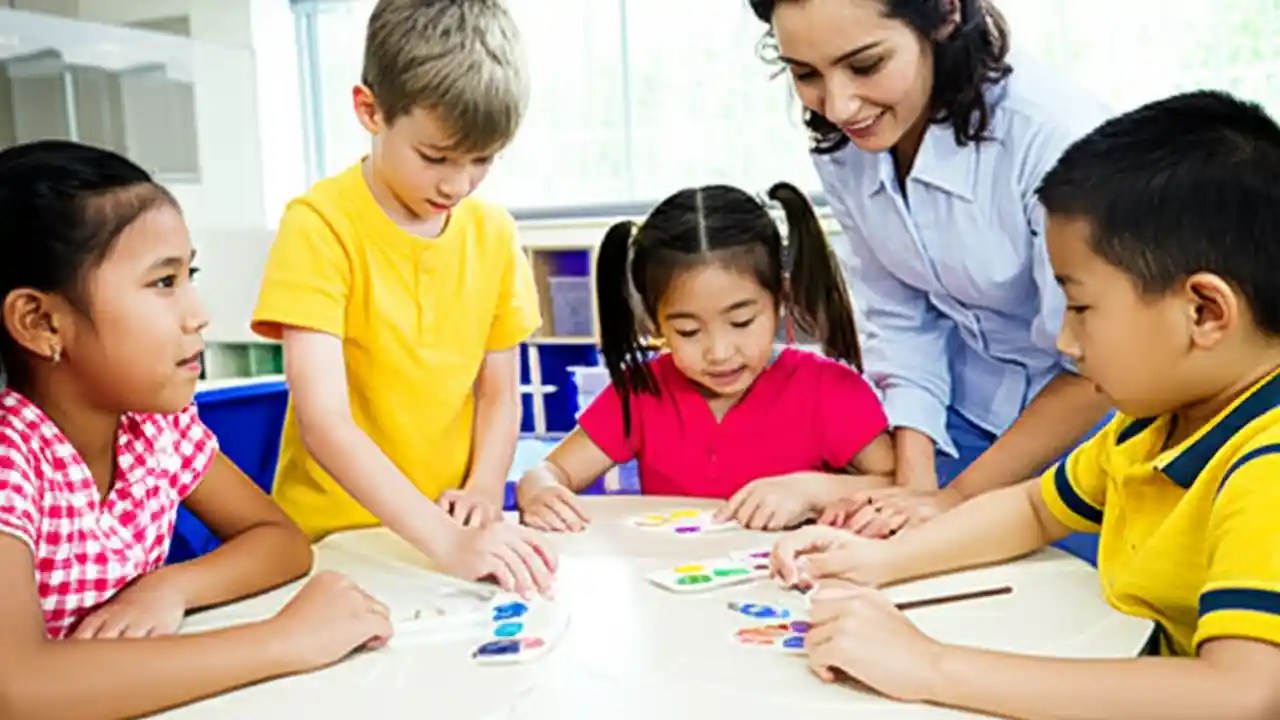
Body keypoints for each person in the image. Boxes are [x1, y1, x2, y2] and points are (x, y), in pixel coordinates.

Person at [770, 90, 1280, 719]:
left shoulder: (1268, 466)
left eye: (1082, 308)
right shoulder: (1153, 424)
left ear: (1204, 312)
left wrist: (930, 665)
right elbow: (1036, 507)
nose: (1066, 341)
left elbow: (1244, 695)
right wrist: (879, 562)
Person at [0, 140, 392, 719]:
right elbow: (17, 688)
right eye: (163, 283)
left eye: (190, 274)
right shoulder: (12, 457)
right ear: (41, 322)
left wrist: (170, 587)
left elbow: (278, 539)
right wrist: (283, 640)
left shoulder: (156, 429)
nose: (198, 311)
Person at [749, 0, 1114, 540]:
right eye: (805, 74)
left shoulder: (1054, 138)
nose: (840, 105)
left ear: (944, 14)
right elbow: (901, 317)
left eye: (866, 65)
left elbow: (1098, 365)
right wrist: (914, 484)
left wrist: (955, 500)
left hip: (1090, 422)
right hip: (961, 413)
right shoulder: (846, 141)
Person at [251, 0, 556, 595]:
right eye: (435, 157)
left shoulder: (493, 233)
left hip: (450, 531)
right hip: (332, 541)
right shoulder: (320, 226)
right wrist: (447, 543)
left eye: (482, 160)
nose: (458, 184)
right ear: (370, 110)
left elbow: (498, 394)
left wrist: (484, 491)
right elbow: (325, 423)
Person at [516, 182, 895, 532]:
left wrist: (811, 491)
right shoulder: (643, 391)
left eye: (742, 321)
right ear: (655, 320)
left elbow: (901, 486)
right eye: (688, 332)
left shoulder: (828, 390)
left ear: (780, 299)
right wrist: (540, 492)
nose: (719, 352)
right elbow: (548, 471)